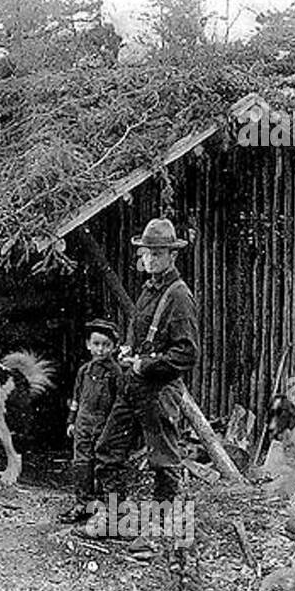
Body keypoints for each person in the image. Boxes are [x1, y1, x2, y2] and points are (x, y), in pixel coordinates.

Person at [86, 218, 200, 527]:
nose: (150, 259)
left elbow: (186, 353)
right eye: (147, 253)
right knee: (107, 450)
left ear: (172, 256)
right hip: (134, 386)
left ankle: (161, 530)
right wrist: (129, 351)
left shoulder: (178, 296)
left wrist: (145, 364)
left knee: (163, 462)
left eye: (157, 254)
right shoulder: (149, 289)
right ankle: (115, 520)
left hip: (159, 390)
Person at [58, 318, 124, 523]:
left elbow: (120, 403)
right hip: (83, 425)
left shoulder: (116, 373)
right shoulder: (84, 371)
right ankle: (83, 505)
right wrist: (71, 421)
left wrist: (112, 430)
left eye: (106, 345)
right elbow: (76, 399)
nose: (101, 349)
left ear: (113, 347)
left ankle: (112, 512)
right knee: (82, 464)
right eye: (96, 344)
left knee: (107, 467)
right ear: (88, 345)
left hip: (105, 426)